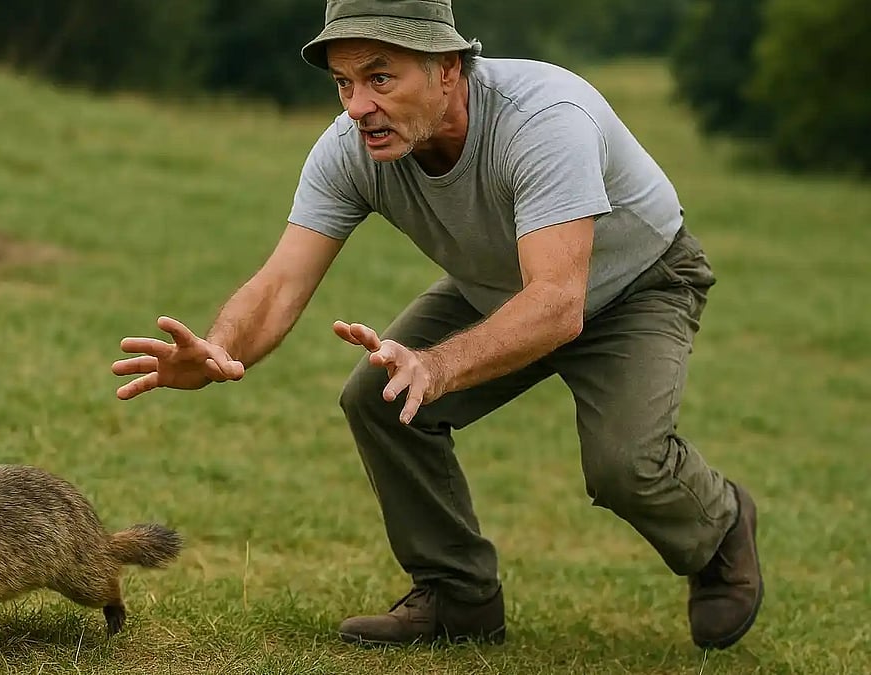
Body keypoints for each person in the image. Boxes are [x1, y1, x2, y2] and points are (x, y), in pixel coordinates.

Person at [111, 0, 762, 650]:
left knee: (625, 464)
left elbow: (559, 302)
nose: (357, 105)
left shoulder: (543, 120)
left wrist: (441, 364)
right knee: (380, 398)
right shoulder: (352, 150)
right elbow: (281, 282)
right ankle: (459, 597)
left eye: (380, 77)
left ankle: (721, 528)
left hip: (637, 284)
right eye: (344, 82)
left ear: (448, 70)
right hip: (502, 284)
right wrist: (221, 347)